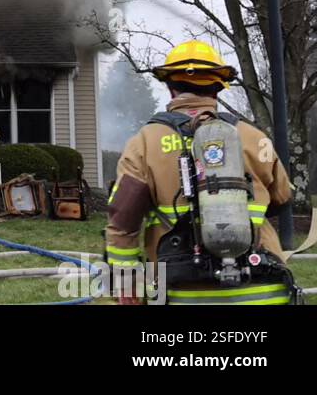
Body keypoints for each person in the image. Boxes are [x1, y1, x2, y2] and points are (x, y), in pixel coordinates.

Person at [105, 40, 299, 304]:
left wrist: (125, 282)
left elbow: (123, 221)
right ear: (218, 87)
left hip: (182, 291)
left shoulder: (144, 143)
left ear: (170, 88)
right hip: (263, 289)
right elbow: (282, 199)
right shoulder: (253, 137)